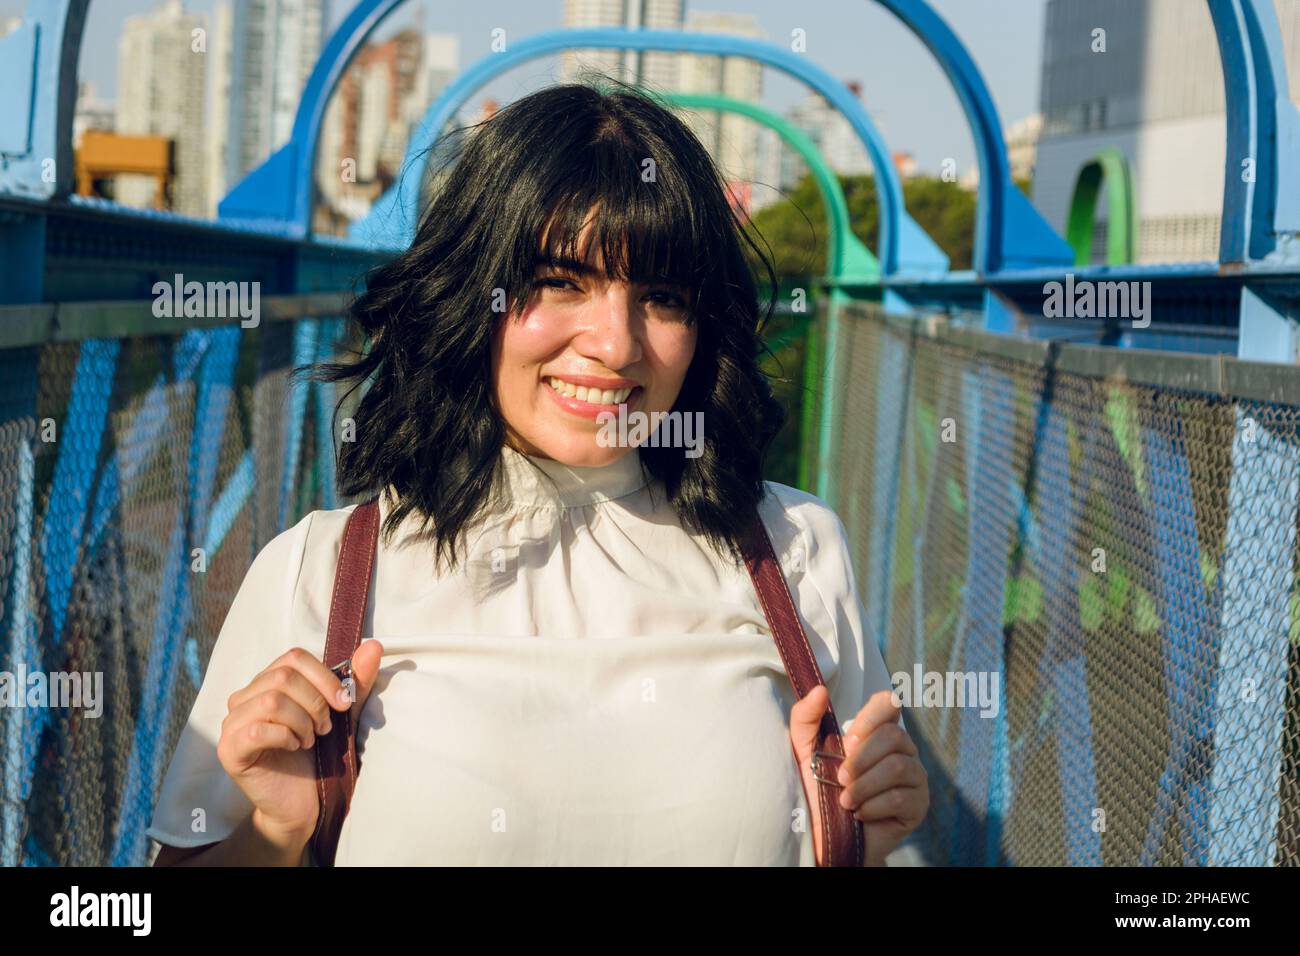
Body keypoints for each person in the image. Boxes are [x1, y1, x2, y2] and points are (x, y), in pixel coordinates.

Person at [148, 82, 928, 866]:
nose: (616, 345)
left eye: (662, 297)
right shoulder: (319, 576)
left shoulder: (794, 551)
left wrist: (856, 845)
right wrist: (274, 836)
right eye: (561, 282)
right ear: (470, 291)